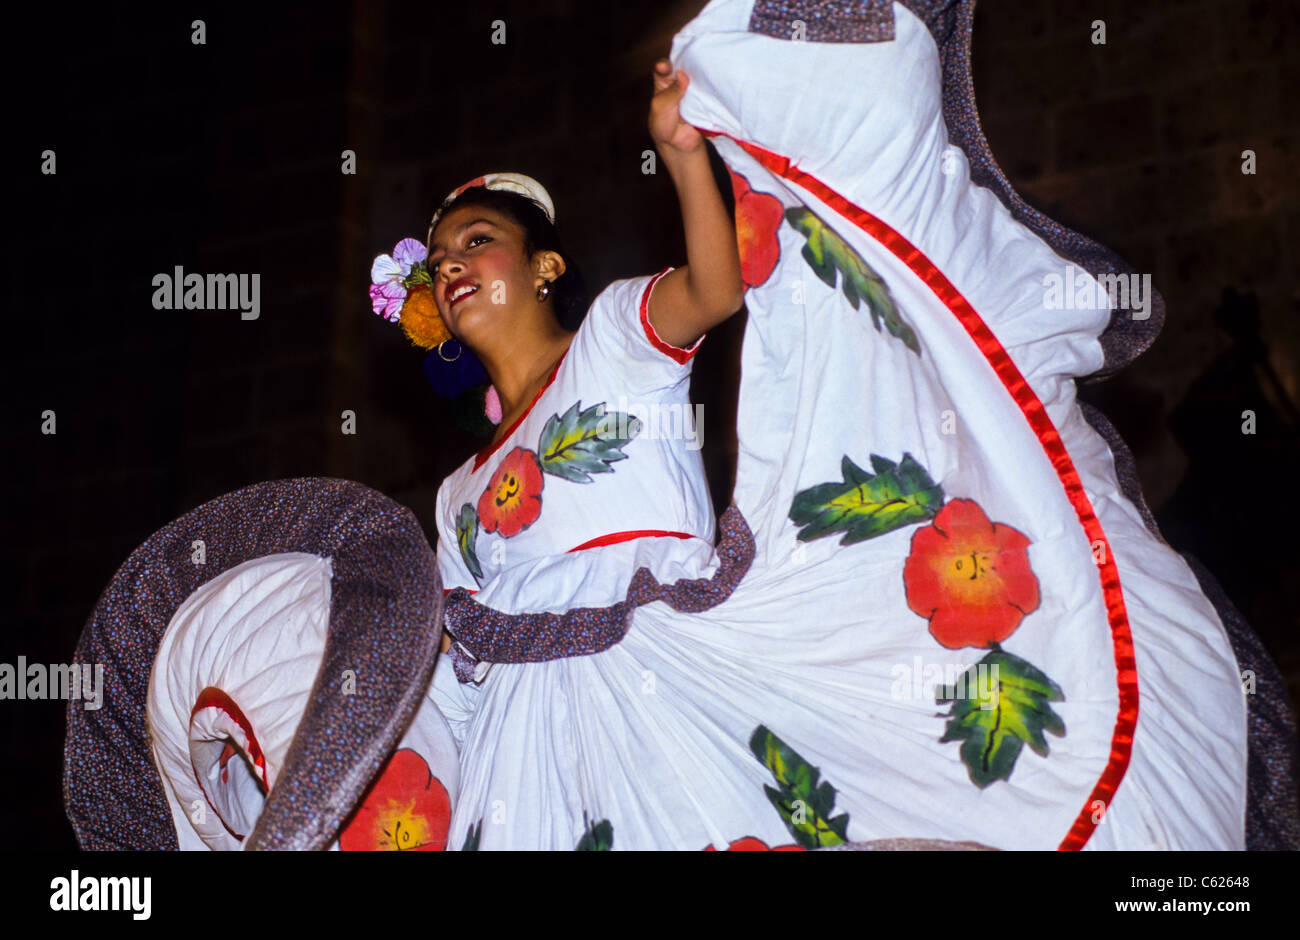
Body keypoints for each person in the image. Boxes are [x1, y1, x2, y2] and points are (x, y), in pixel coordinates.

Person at [373, 0, 1253, 850]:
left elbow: (716, 292)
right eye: (441, 259)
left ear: (543, 266)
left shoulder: (609, 336)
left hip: (671, 705)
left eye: (477, 240)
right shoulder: (459, 492)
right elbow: (453, 677)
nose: (453, 264)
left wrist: (683, 156)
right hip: (519, 771)